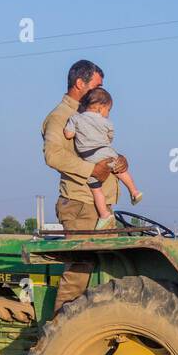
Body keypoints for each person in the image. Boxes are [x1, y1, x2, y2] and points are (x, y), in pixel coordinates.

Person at [43, 59, 128, 312]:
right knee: (79, 272)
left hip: (100, 204)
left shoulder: (89, 116)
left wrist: (120, 161)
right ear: (80, 83)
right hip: (80, 203)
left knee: (105, 270)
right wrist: (92, 170)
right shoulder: (60, 117)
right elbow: (53, 155)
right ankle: (58, 339)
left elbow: (98, 151)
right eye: (96, 85)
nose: (100, 92)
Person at [63, 86, 142, 230]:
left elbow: (68, 135)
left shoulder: (75, 118)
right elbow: (109, 137)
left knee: (96, 189)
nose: (108, 114)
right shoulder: (106, 122)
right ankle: (134, 191)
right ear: (100, 108)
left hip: (90, 156)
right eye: (108, 110)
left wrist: (72, 131)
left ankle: (104, 215)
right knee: (119, 169)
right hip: (106, 150)